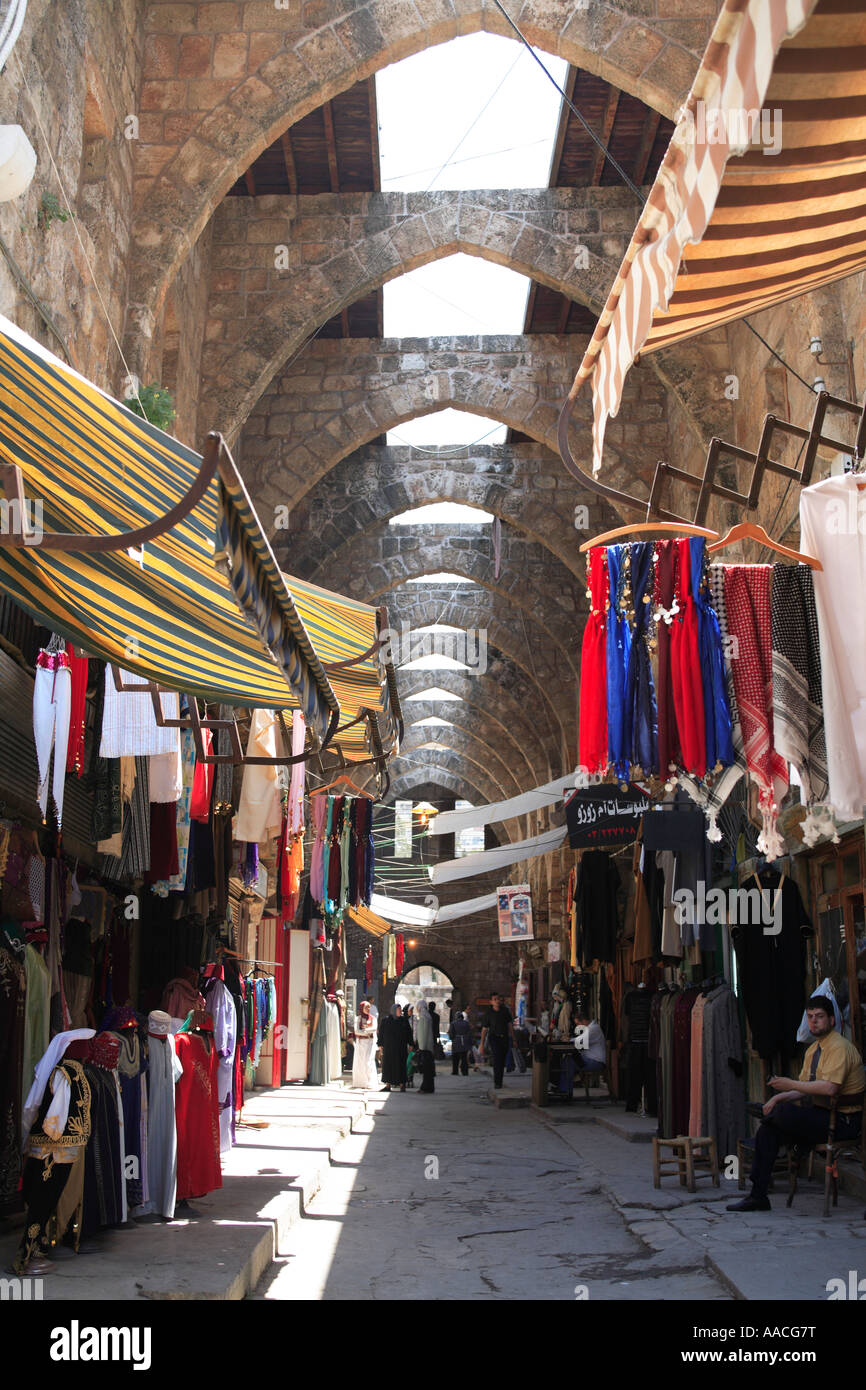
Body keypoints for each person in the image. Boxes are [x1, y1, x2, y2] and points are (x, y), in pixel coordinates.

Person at [727, 996, 866, 1213]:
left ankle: (769, 1114)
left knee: (782, 1115)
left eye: (819, 1017)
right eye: (810, 1017)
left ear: (831, 1020)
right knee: (768, 1131)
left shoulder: (839, 1047)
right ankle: (758, 1195)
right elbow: (803, 1087)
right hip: (820, 1117)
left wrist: (788, 1085)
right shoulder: (813, 1050)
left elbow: (830, 1089)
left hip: (842, 1121)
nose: (814, 1022)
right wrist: (777, 1097)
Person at [480, 992, 515, 1089]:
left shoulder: (505, 1011)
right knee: (497, 1059)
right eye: (495, 999)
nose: (497, 1001)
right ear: (491, 1002)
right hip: (494, 1038)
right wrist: (482, 1044)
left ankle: (500, 1080)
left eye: (498, 999)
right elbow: (484, 1029)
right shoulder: (489, 1013)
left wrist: (513, 1038)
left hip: (504, 1038)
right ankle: (497, 1082)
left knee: (502, 1060)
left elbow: (510, 1025)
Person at [378, 1003, 412, 1092]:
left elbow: (409, 1033)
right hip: (389, 1048)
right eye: (398, 1010)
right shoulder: (386, 1021)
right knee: (388, 1066)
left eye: (400, 1010)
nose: (400, 1011)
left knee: (401, 1066)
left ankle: (402, 1085)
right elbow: (381, 1033)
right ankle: (388, 1085)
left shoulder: (403, 1021)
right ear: (393, 1010)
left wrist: (411, 1044)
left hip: (401, 1048)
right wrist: (380, 1044)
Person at [352, 999, 378, 1090]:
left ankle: (369, 1082)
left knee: (369, 1062)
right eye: (366, 1007)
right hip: (360, 1043)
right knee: (360, 1062)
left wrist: (364, 1031)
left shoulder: (373, 1018)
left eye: (369, 1007)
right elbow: (356, 1031)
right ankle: (360, 1082)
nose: (368, 1009)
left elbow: (374, 1028)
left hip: (369, 1043)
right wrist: (366, 1032)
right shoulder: (357, 1019)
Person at [573, 1007, 607, 1074]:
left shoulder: (593, 1029)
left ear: (584, 1021)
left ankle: (566, 1084)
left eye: (577, 1024)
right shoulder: (590, 1028)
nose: (577, 1026)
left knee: (569, 1063)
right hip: (591, 1059)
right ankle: (568, 1083)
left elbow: (580, 1041)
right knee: (568, 1061)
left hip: (596, 1061)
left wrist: (568, 1040)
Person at [415, 997, 436, 1093]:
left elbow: (424, 1032)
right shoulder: (427, 1016)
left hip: (425, 1047)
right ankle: (429, 1087)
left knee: (426, 1069)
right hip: (429, 1047)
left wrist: (421, 1047)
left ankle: (425, 1087)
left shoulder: (423, 1017)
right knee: (429, 1069)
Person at [449, 1011, 472, 1075]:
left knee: (455, 1058)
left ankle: (455, 1071)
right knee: (464, 1058)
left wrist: (452, 1038)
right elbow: (469, 1033)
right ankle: (465, 1071)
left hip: (456, 1042)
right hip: (464, 1042)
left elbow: (451, 1034)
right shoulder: (466, 1023)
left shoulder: (453, 1023)